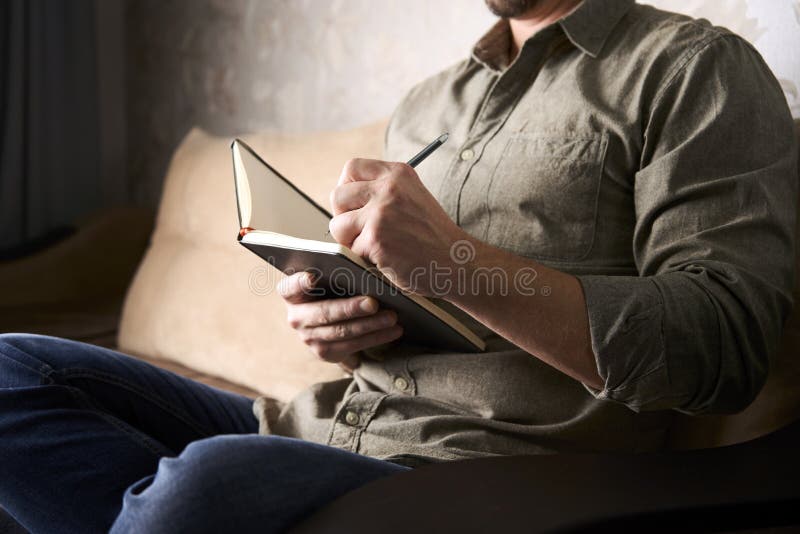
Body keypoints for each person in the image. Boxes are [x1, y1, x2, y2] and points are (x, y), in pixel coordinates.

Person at [0, 0, 796, 532]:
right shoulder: (430, 101)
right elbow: (402, 297)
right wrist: (341, 321)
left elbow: (720, 348)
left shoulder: (694, 70)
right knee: (10, 371)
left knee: (200, 487)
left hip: (481, 468)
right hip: (316, 425)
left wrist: (450, 263)